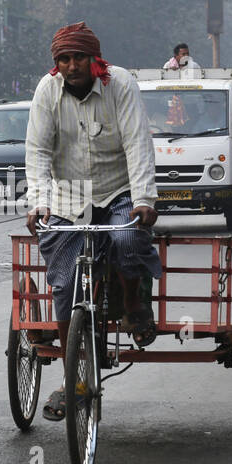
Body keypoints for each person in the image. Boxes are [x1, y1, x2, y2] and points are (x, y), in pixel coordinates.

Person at [26, 22, 161, 420]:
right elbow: (37, 153)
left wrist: (143, 200)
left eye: (79, 58)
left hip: (118, 190)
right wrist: (39, 204)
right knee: (64, 282)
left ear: (95, 59)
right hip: (69, 198)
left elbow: (138, 143)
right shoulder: (47, 91)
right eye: (64, 60)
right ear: (56, 64)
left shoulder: (120, 84)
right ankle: (73, 380)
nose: (72, 66)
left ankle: (134, 300)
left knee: (126, 240)